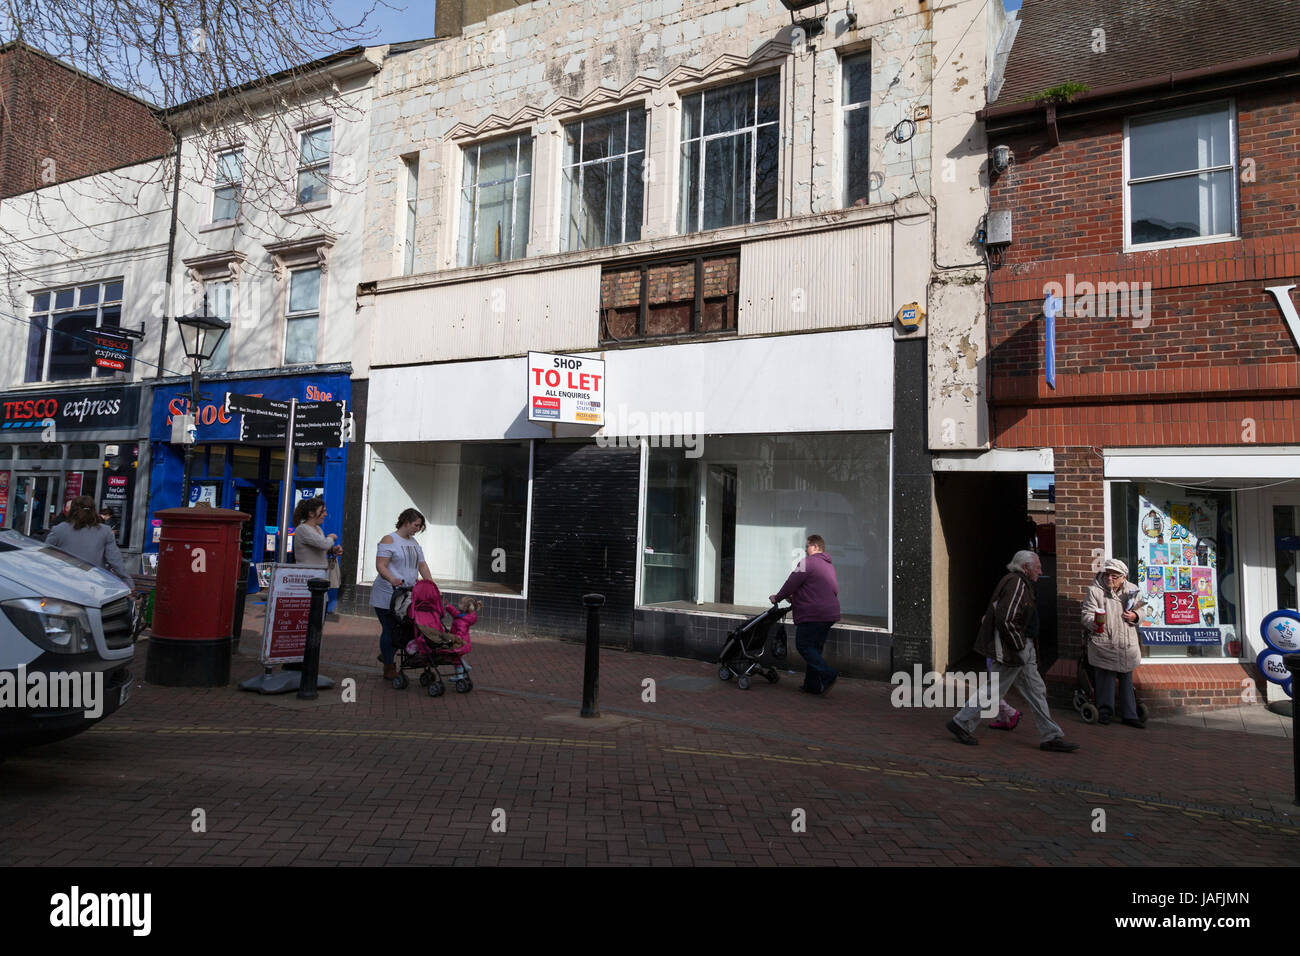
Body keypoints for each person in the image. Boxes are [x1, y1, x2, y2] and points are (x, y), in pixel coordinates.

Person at [946, 550, 1079, 752]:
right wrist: (1019, 645)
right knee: (994, 690)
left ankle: (1051, 735)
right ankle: (961, 723)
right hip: (1015, 649)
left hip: (1023, 648)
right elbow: (1006, 618)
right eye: (1038, 567)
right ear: (1025, 567)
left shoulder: (1020, 583)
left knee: (1036, 691)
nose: (1041, 571)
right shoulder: (1017, 583)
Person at [769, 534, 841, 696]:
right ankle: (812, 685)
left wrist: (777, 597)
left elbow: (791, 582)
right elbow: (833, 589)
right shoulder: (829, 566)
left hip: (813, 614)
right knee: (814, 648)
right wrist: (797, 598)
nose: (805, 550)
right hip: (829, 614)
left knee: (804, 645)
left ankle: (828, 674)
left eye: (807, 546)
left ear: (815, 547)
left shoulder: (806, 563)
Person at [1081, 558, 1145, 728]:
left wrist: (1135, 616)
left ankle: (1129, 715)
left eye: (1115, 576)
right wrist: (1092, 622)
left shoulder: (1132, 590)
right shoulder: (1095, 591)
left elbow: (1142, 610)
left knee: (1126, 679)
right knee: (1105, 678)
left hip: (1126, 642)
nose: (1110, 578)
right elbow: (1087, 613)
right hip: (1104, 642)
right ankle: (1105, 712)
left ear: (1124, 577)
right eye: (1107, 574)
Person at [371, 508, 433, 681]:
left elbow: (422, 566)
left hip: (407, 595)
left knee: (405, 628)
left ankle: (387, 653)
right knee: (390, 628)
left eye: (420, 527)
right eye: (416, 525)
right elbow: (381, 565)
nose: (417, 529)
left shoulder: (414, 543)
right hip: (387, 594)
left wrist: (431, 585)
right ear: (406, 521)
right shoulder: (389, 539)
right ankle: (389, 666)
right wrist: (392, 579)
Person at [45, 495, 131, 588]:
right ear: (94, 511)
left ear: (72, 511)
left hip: (64, 582)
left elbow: (45, 555)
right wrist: (127, 581)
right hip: (94, 583)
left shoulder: (59, 529)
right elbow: (115, 559)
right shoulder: (105, 531)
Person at [293, 497, 343, 621]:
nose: (325, 514)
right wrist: (331, 537)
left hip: (320, 578)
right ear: (311, 513)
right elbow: (324, 544)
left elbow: (322, 547)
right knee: (310, 618)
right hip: (308, 580)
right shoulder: (303, 529)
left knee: (320, 616)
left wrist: (333, 550)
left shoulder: (318, 529)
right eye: (322, 511)